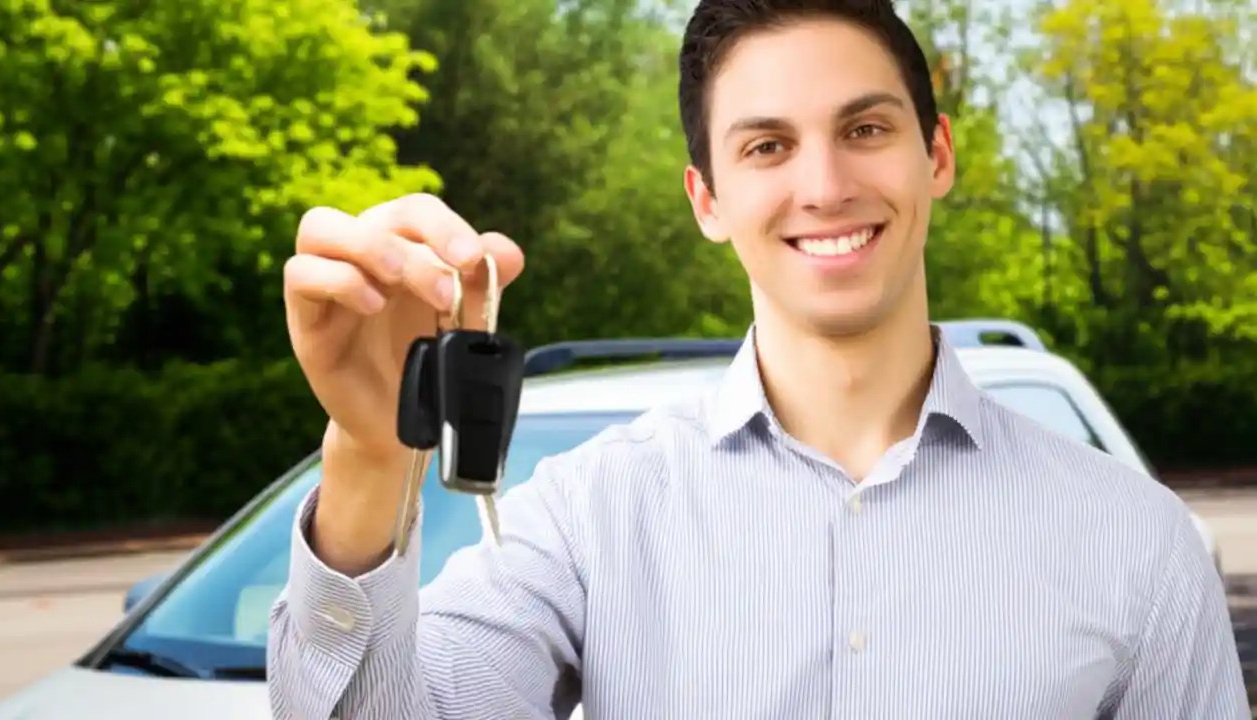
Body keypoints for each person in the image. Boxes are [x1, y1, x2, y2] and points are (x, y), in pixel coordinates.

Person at [267, 0, 1249, 717]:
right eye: (766, 147)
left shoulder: (1134, 542)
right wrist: (367, 448)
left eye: (863, 129)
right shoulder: (588, 517)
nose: (822, 185)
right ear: (705, 199)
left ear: (935, 156)